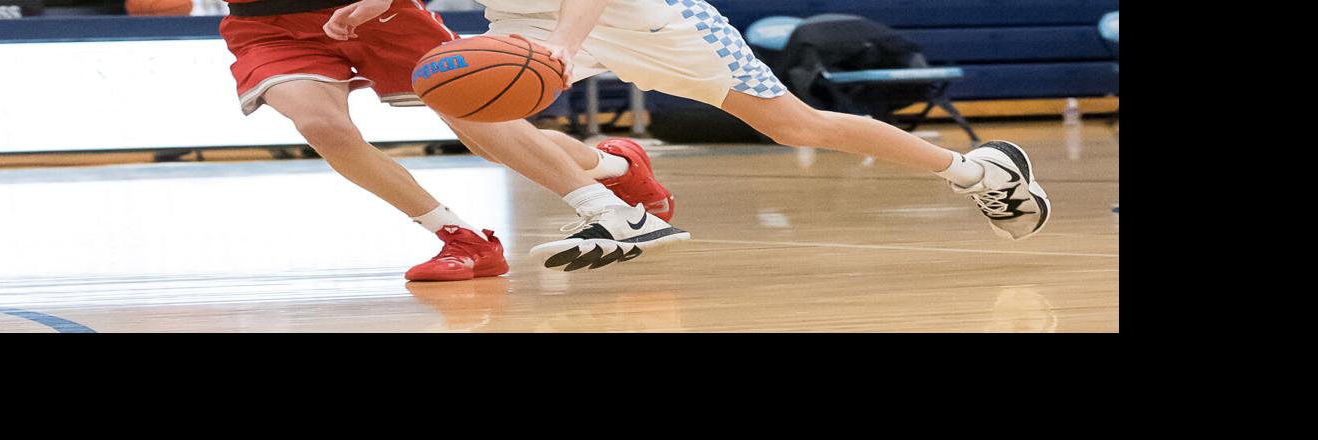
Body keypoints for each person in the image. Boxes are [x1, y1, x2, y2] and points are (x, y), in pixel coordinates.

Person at [324, 0, 1052, 267]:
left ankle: (979, 172)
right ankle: (617, 209)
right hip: (525, 26)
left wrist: (567, 54)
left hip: (649, 20)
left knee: (792, 125)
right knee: (473, 111)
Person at [221, 0, 679, 280]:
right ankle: (462, 240)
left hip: (382, 11)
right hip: (266, 25)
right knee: (321, 126)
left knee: (479, 127)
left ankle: (613, 184)